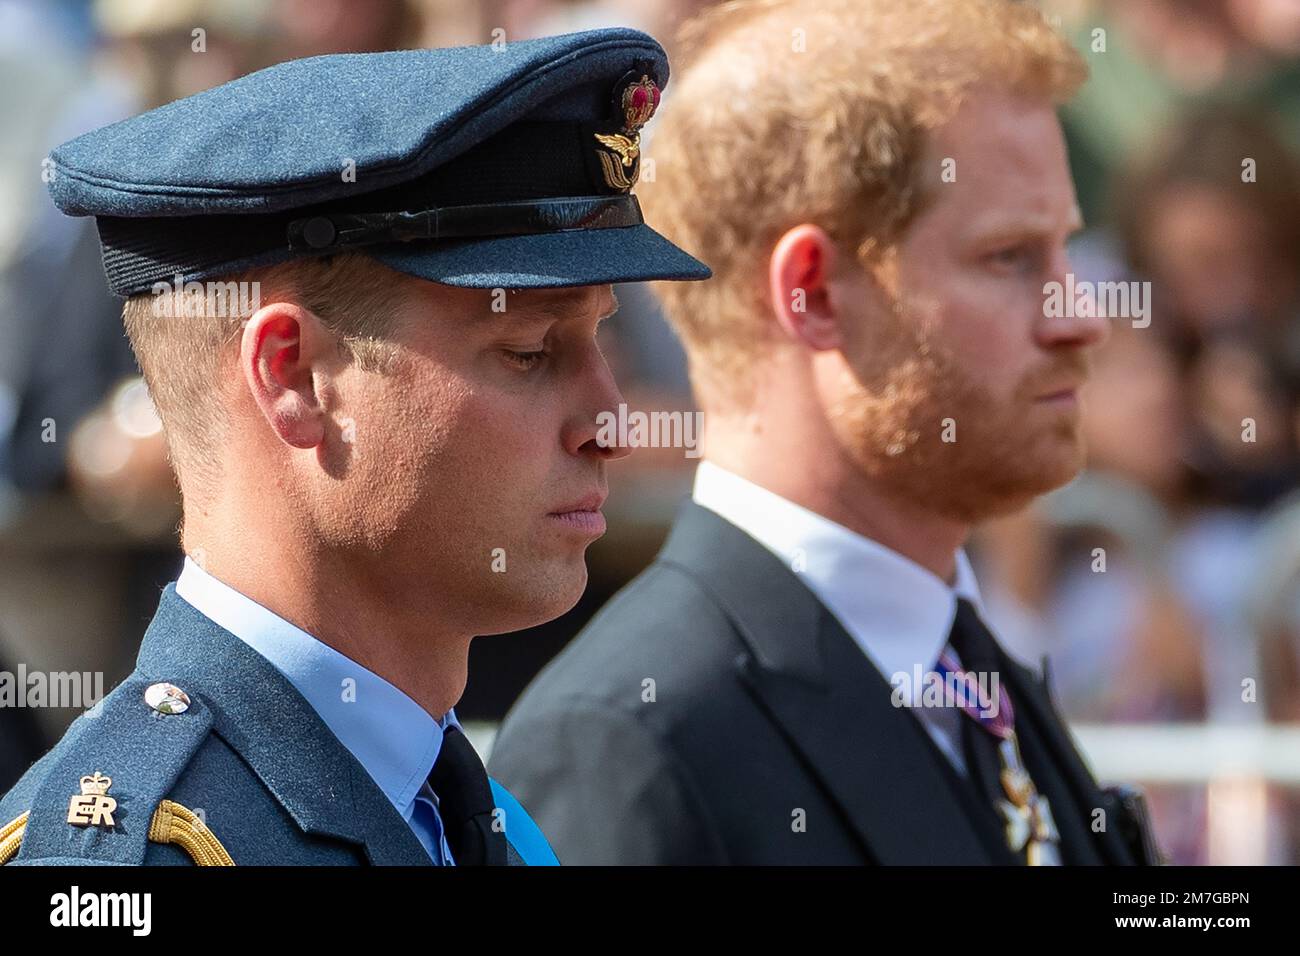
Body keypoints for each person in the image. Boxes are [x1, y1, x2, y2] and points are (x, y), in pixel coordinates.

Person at [0, 26, 709, 866]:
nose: (612, 422)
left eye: (602, 342)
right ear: (293, 379)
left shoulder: (465, 812)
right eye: (528, 352)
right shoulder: (139, 856)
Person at [489, 0, 1161, 865]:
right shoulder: (630, 745)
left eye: (1067, 250)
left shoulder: (972, 674)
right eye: (1011, 258)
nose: (1082, 319)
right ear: (813, 292)